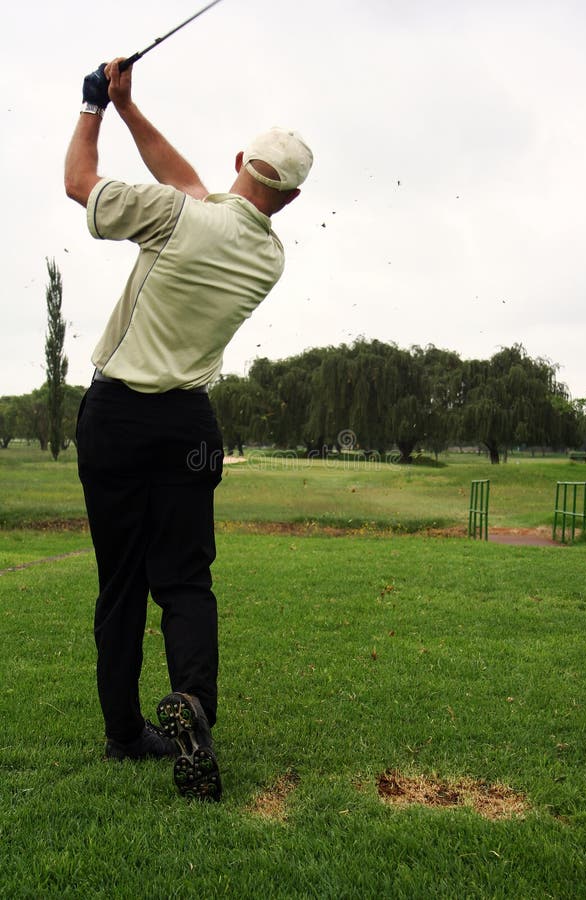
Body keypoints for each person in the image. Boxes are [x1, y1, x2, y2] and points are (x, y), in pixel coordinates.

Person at [64, 59, 313, 801]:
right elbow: (195, 189)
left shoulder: (177, 216)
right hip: (189, 425)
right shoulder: (269, 255)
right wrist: (132, 109)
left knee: (122, 586)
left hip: (115, 416)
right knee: (185, 580)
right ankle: (194, 704)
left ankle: (122, 733)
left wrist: (92, 107)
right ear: (292, 198)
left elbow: (80, 182)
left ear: (240, 160)